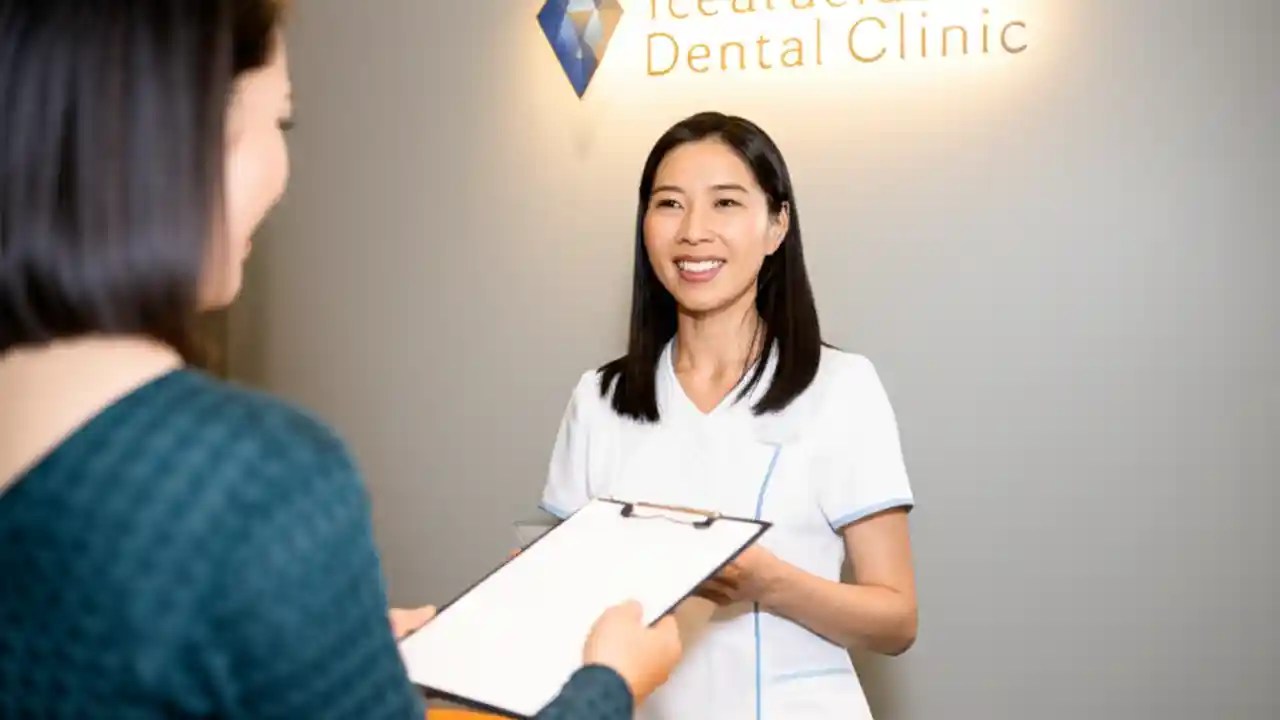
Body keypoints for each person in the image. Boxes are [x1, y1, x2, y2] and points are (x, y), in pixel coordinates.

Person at [0, 1, 680, 718]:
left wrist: (324, 656)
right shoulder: (260, 478)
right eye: (281, 119)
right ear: (188, 131)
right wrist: (609, 682)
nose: (284, 171)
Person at [538, 111, 919, 720]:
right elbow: (562, 600)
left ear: (777, 225)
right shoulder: (599, 398)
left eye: (725, 203)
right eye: (669, 204)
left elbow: (897, 620)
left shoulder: (841, 388)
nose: (693, 231)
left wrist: (770, 584)